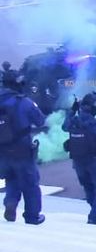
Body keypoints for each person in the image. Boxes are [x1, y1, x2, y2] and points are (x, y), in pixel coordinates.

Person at [0, 61, 46, 225]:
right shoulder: (24, 102)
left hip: (2, 151)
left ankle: (10, 203)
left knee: (11, 179)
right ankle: (32, 216)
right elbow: (40, 121)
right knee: (30, 184)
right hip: (22, 150)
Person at [63, 91, 96, 226]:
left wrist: (72, 110)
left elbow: (64, 127)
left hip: (77, 161)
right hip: (93, 161)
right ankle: (95, 215)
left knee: (88, 187)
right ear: (93, 108)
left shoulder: (73, 121)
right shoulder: (95, 124)